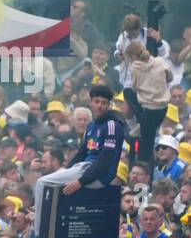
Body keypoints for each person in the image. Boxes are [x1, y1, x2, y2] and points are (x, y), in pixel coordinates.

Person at [32, 84, 124, 215]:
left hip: (99, 175)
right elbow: (82, 153)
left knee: (42, 182)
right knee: (53, 184)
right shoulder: (91, 125)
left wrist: (81, 181)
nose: (100, 106)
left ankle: (37, 227)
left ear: (109, 105)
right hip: (84, 168)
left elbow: (105, 160)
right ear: (90, 102)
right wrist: (67, 169)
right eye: (96, 101)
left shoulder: (112, 125)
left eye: (104, 103)